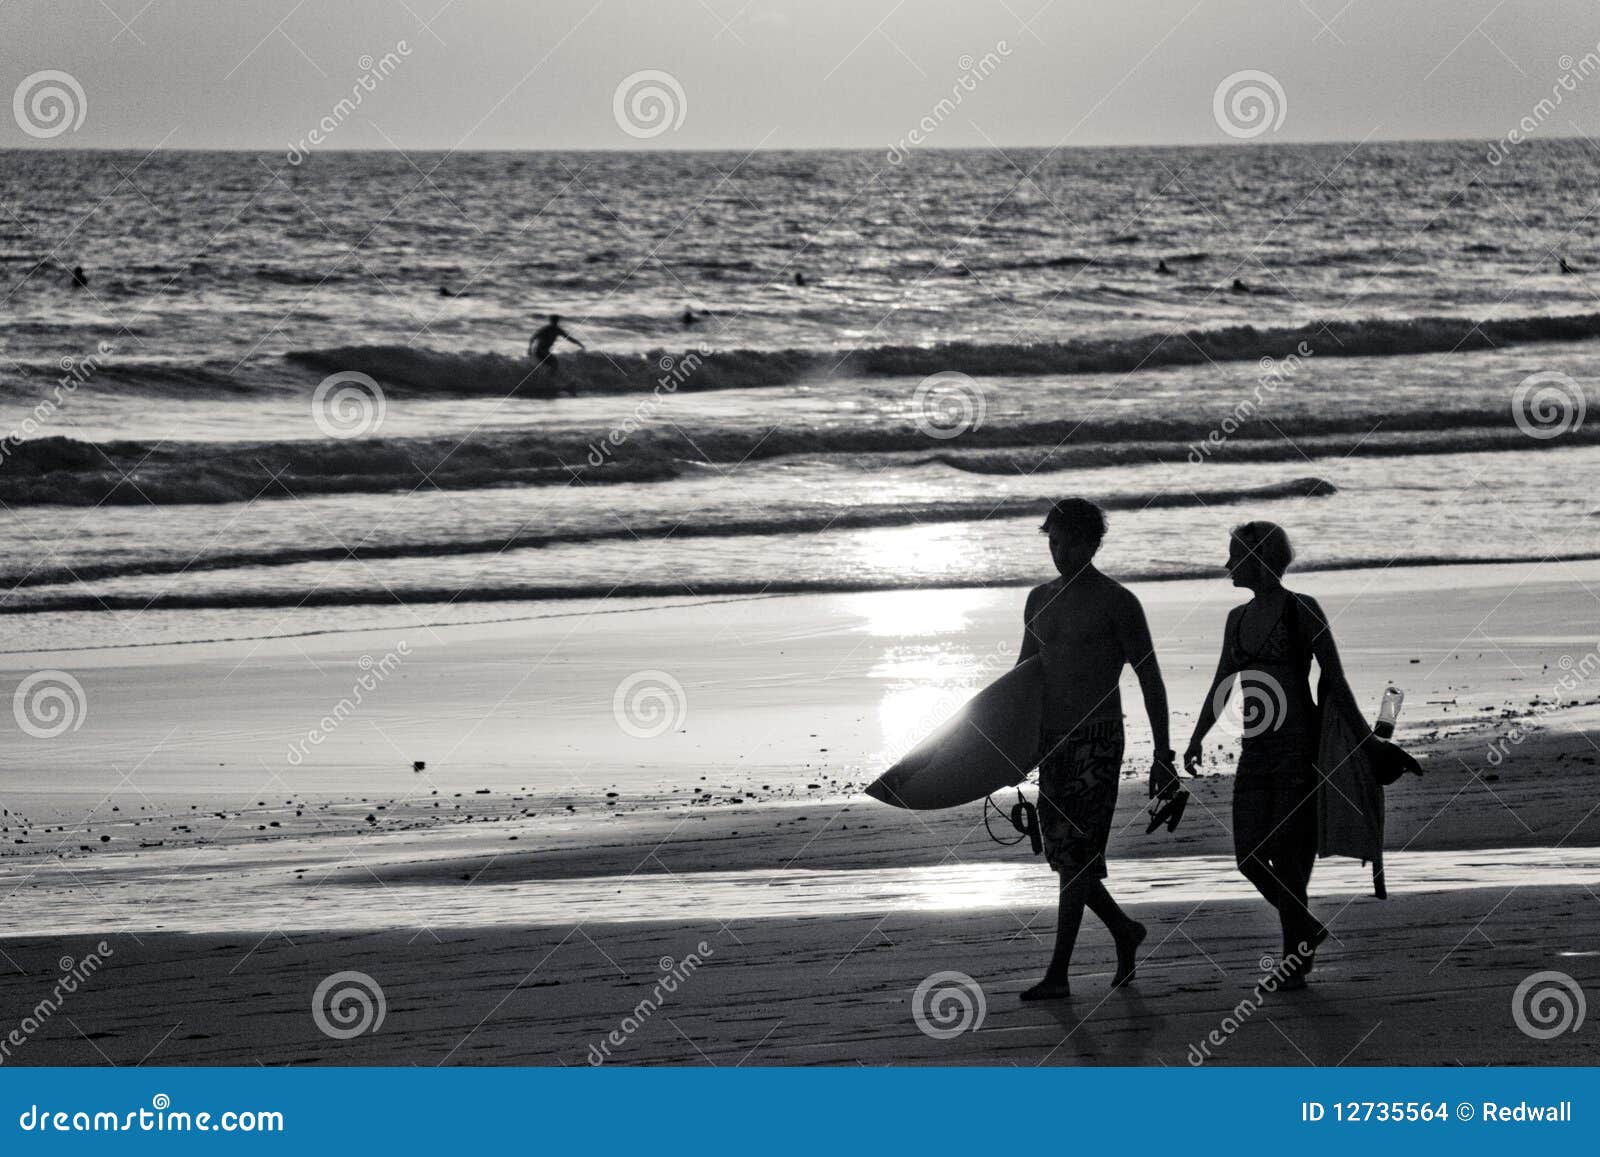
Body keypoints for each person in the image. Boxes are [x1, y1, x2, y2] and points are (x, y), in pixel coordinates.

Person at [1184, 522, 1359, 988]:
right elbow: (1224, 681)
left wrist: (1361, 740)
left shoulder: (1301, 609)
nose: (1227, 566)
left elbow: (1334, 679)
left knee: (1290, 858)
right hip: (1256, 749)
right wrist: (1198, 735)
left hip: (1300, 748)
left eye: (1235, 556)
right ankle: (1305, 929)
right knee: (1249, 855)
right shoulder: (1236, 619)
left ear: (1259, 560)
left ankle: (1294, 963)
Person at [1015, 498, 1175, 1001]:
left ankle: (1058, 973)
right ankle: (1125, 931)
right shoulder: (1038, 600)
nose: (1058, 551)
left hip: (1098, 740)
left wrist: (1163, 755)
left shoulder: (1117, 602)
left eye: (1066, 542)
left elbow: (1150, 677)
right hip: (1052, 742)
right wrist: (1008, 750)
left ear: (1091, 543)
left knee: (1078, 857)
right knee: (1066, 857)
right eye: (1052, 542)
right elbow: (1022, 679)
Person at [527, 314, 585, 385]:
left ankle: (546, 381)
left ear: (557, 321)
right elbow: (533, 338)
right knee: (554, 364)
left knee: (552, 365)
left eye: (556, 321)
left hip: (544, 351)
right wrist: (529, 349)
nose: (555, 322)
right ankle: (546, 381)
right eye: (554, 321)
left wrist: (578, 343)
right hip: (539, 350)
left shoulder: (557, 330)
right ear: (551, 321)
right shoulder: (546, 329)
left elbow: (568, 338)